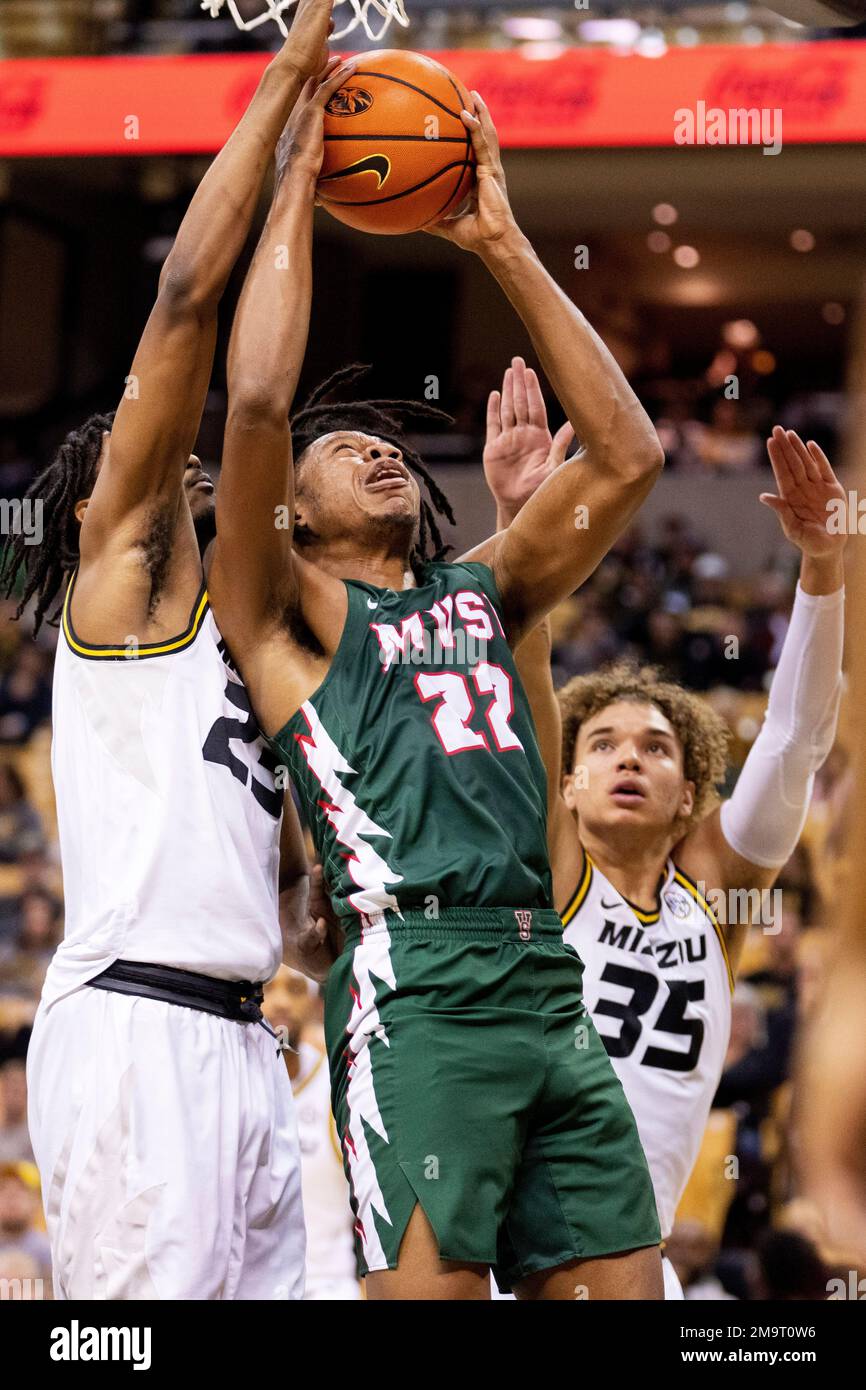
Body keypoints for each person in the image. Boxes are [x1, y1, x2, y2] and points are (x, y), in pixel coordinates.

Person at [208, 74, 666, 1302]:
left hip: (544, 985)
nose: (376, 447)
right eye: (338, 451)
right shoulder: (288, 620)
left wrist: (499, 239)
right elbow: (255, 396)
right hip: (417, 994)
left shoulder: (485, 587)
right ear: (287, 517)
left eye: (393, 445)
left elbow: (627, 455)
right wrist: (295, 189)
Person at [0, 0, 339, 1300]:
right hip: (136, 1023)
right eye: (144, 465)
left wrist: (314, 946)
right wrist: (285, 99)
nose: (176, 461)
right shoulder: (122, 598)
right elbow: (191, 302)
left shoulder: (251, 641)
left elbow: (302, 883)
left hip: (246, 1038)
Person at [490, 404, 845, 1299]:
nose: (628, 759)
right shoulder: (556, 870)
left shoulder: (715, 894)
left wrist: (824, 566)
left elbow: (797, 738)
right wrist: (520, 530)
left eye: (655, 747)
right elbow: (521, 664)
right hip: (522, 1251)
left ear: (690, 796)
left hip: (638, 1261)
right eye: (602, 744)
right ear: (565, 784)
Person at [264, 965, 360, 1300]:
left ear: (314, 1003)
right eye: (268, 989)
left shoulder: (336, 1089)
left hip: (327, 1286)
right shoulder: (229, 1089)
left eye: (294, 989)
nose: (280, 1002)